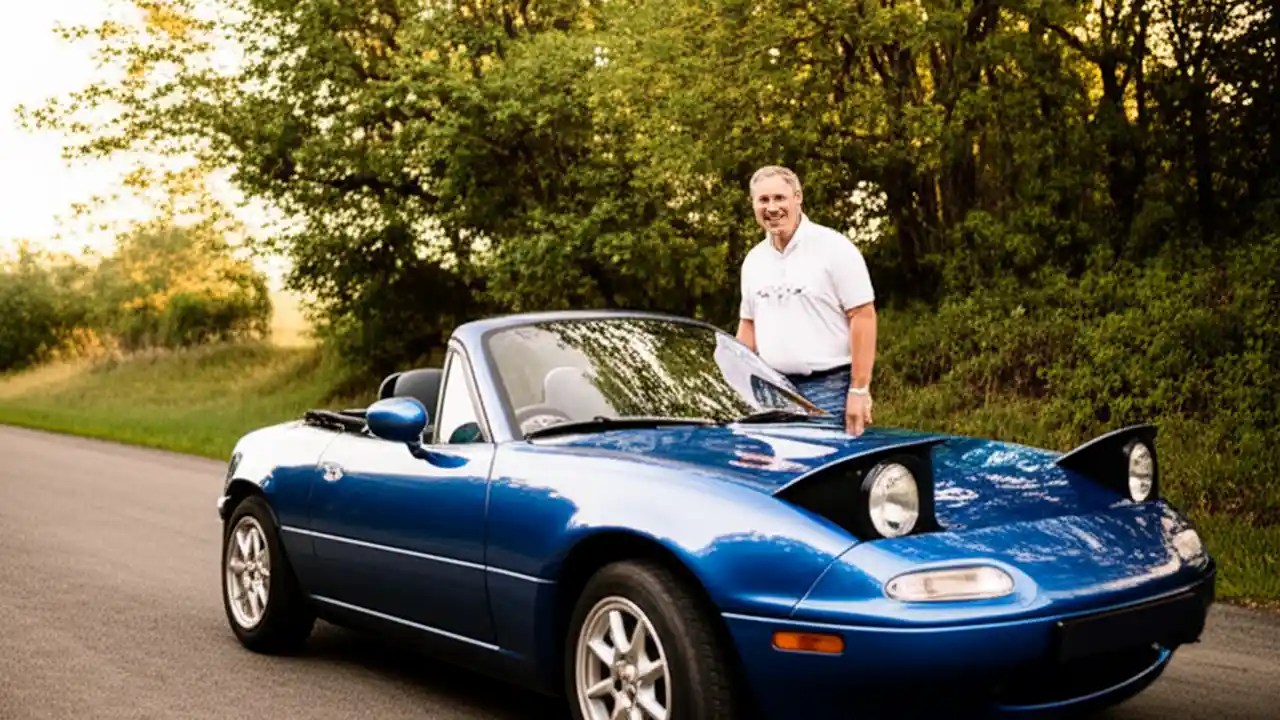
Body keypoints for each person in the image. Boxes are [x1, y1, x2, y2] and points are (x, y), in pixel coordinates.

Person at [735, 165, 878, 436]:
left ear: (798, 197)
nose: (772, 207)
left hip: (828, 391)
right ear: (753, 204)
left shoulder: (834, 248)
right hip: (770, 392)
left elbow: (863, 316)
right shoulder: (754, 260)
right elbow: (748, 327)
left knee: (823, 475)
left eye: (780, 198)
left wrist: (859, 390)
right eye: (763, 200)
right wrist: (738, 387)